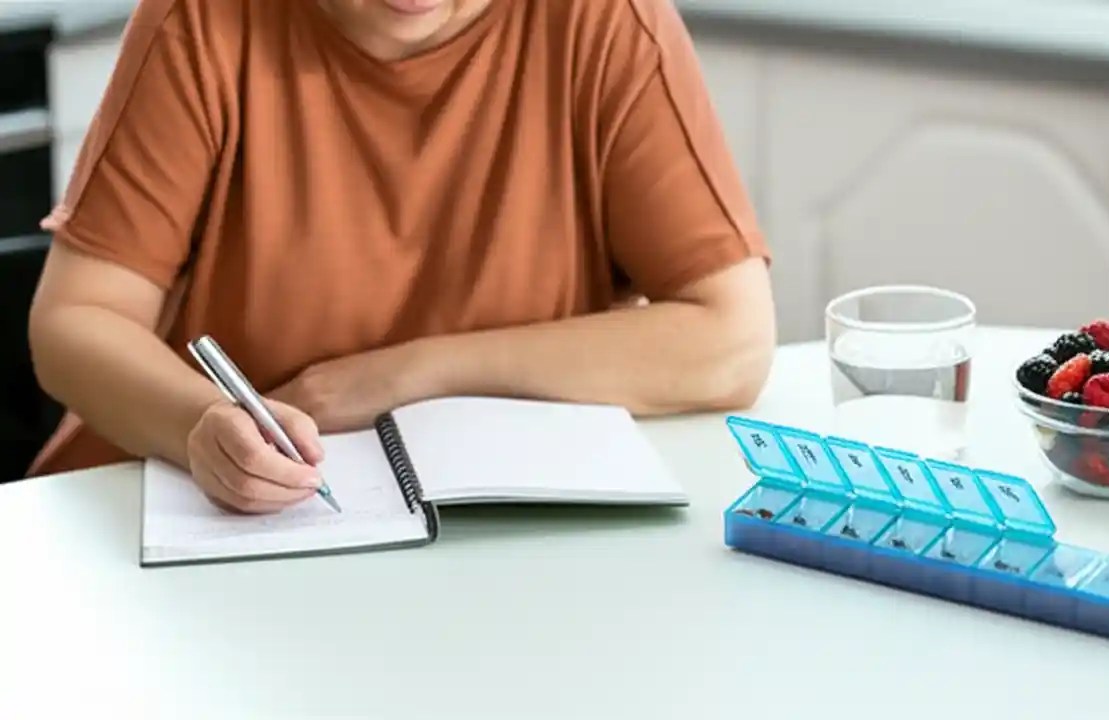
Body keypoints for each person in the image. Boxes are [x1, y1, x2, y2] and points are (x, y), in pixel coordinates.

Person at [25, 0, 775, 513]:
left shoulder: (603, 22)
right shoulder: (206, 20)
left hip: (500, 547)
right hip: (189, 524)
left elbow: (732, 342)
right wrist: (201, 424)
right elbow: (76, 320)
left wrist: (399, 378)